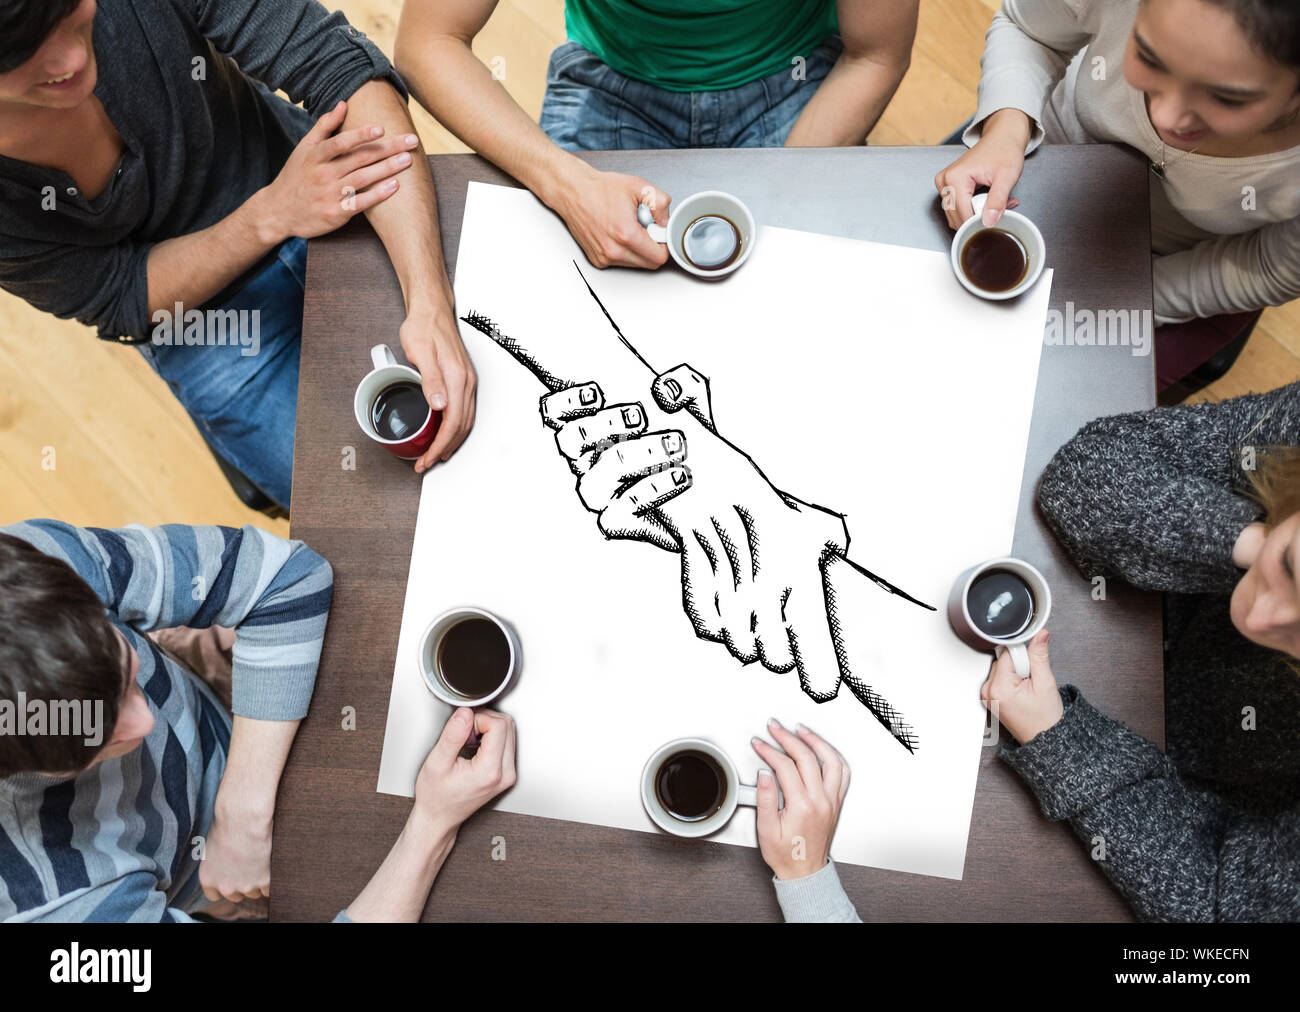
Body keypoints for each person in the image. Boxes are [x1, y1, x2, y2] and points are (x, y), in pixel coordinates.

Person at [0, 0, 477, 511]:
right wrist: (270, 215)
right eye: (20, 54)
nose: (70, 58)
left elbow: (339, 67)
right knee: (376, 518)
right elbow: (120, 295)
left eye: (71, 11)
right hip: (200, 323)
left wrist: (428, 300)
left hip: (314, 178)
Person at [0, 519, 518, 922]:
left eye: (127, 672)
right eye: (100, 741)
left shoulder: (34, 565)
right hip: (223, 876)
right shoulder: (47, 904)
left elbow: (286, 576)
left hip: (220, 719)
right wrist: (433, 825)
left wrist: (243, 811)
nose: (145, 723)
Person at [981, 381, 1300, 921]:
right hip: (1129, 631)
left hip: (1190, 793)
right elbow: (1089, 475)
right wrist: (1249, 543)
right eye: (1292, 567)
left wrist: (1065, 748)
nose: (1260, 619)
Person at [933, 0, 1300, 389]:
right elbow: (1030, 28)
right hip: (1042, 155)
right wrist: (1006, 129)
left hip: (1184, 265)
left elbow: (1269, 267)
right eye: (1148, 56)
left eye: (1227, 98)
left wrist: (1127, 298)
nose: (1166, 118)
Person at [394, 0, 917, 269]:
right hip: (612, 82)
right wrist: (567, 184)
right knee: (564, 289)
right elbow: (429, 42)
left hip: (791, 78)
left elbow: (874, 54)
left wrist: (781, 195)